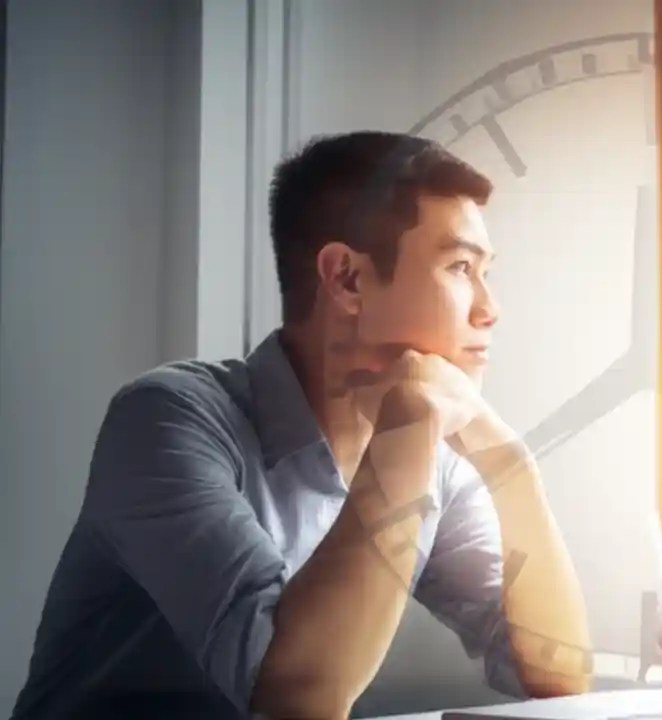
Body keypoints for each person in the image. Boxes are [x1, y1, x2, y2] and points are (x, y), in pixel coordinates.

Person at [11, 132, 593, 719]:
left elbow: (556, 673)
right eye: (462, 266)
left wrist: (509, 463)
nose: (489, 308)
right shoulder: (167, 418)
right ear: (347, 279)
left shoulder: (437, 463)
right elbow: (297, 699)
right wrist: (410, 425)